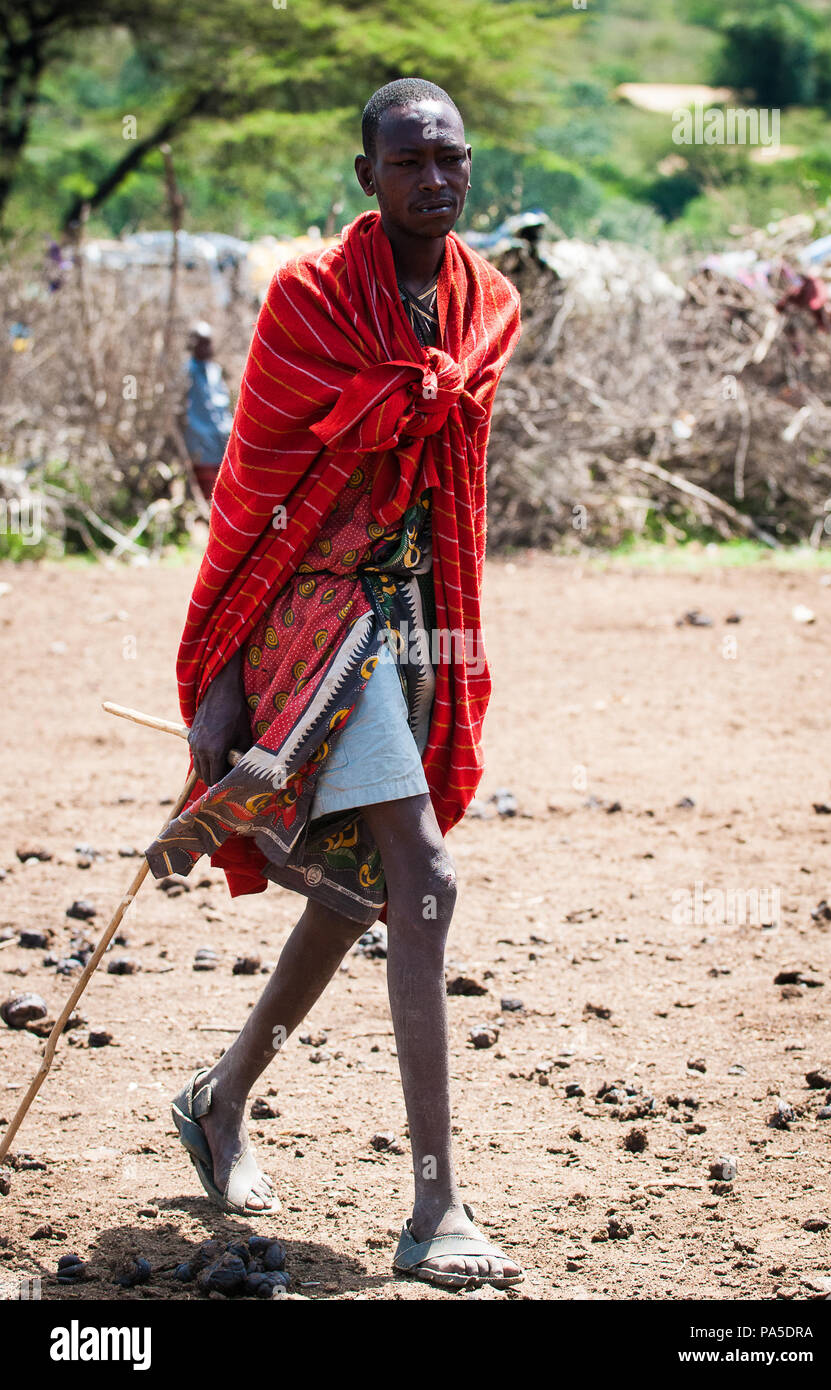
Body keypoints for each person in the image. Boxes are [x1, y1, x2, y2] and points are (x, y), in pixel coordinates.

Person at [147, 77, 523, 1291]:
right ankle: (435, 1209)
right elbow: (250, 496)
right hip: (307, 613)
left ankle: (217, 1100)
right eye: (409, 161)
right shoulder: (309, 301)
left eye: (452, 159)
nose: (436, 179)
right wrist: (220, 683)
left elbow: (447, 490)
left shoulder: (485, 307)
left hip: (414, 623)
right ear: (365, 175)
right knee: (424, 873)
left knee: (366, 891)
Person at [181, 321, 233, 499]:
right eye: (201, 342)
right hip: (201, 447)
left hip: (222, 444)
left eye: (207, 342)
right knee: (207, 494)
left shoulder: (215, 371)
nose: (205, 347)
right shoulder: (186, 372)